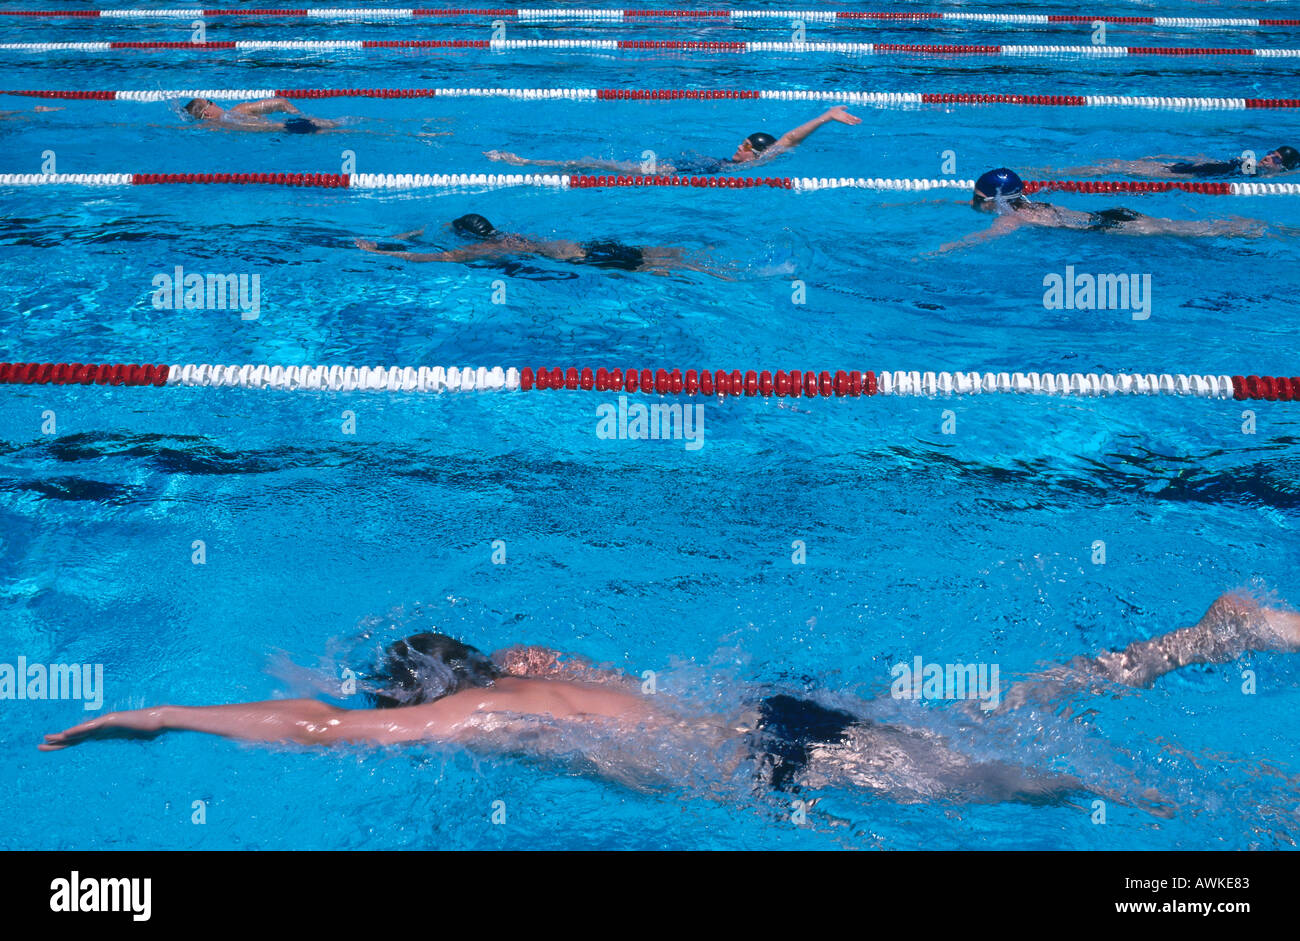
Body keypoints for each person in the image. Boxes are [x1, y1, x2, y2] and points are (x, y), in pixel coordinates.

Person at [40, 592, 1300, 813]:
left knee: (1061, 777)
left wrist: (152, 715)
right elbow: (341, 695)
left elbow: (317, 728)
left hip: (786, 759)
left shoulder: (470, 716)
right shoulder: (532, 667)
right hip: (776, 707)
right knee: (1016, 713)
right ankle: (1210, 636)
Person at [937, 167, 1267, 252]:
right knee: (1178, 225)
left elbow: (978, 240)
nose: (972, 203)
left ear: (996, 202)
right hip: (1111, 215)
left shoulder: (1013, 219)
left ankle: (1247, 228)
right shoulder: (1024, 205)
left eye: (978, 198)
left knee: (1188, 231)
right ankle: (1242, 225)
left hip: (1115, 227)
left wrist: (941, 250)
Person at [483, 105, 862, 175]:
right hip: (695, 168)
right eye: (742, 142)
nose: (740, 146)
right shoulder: (745, 163)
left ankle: (532, 164)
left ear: (757, 151)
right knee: (614, 167)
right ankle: (531, 163)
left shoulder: (766, 160)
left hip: (699, 170)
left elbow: (790, 138)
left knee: (614, 167)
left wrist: (827, 116)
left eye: (746, 145)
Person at [355, 213, 730, 278]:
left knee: (652, 268)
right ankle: (708, 262)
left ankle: (717, 273)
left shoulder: (493, 249)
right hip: (593, 245)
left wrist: (383, 250)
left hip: (591, 261)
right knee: (657, 255)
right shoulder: (514, 235)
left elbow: (441, 259)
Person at [1064, 145, 1300, 179]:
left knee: (1122, 169)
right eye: (1271, 153)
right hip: (1185, 172)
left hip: (1191, 174)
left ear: (1283, 166)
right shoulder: (1251, 167)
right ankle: (1065, 173)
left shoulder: (1256, 171)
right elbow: (1214, 162)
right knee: (1120, 168)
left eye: (1276, 158)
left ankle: (1066, 173)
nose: (1269, 157)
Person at [182, 97, 338, 133]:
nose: (215, 103)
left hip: (284, 132)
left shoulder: (213, 129)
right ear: (208, 112)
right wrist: (299, 116)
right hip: (293, 124)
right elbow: (281, 102)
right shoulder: (239, 110)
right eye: (210, 102)